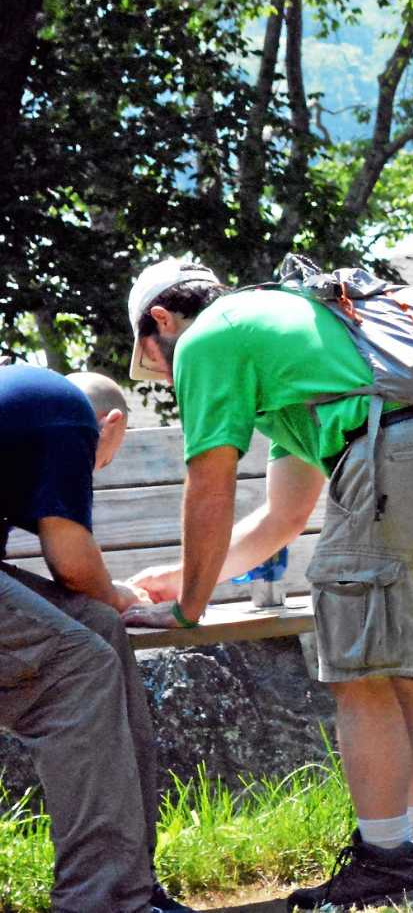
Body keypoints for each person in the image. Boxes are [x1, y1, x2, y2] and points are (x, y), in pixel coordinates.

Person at [122, 258, 413, 908]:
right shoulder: (292, 330)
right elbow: (285, 516)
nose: (164, 377)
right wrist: (191, 577)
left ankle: (386, 863)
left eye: (152, 363)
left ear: (160, 321)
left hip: (395, 456)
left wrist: (189, 608)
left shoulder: (209, 338)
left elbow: (208, 483)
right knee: (410, 669)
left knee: (361, 670)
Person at [0, 365, 192, 913]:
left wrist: (111, 603)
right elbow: (73, 564)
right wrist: (127, 596)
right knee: (79, 667)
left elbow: (84, 594)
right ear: (113, 425)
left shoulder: (25, 408)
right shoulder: (66, 415)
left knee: (96, 627)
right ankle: (101, 903)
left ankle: (131, 882)